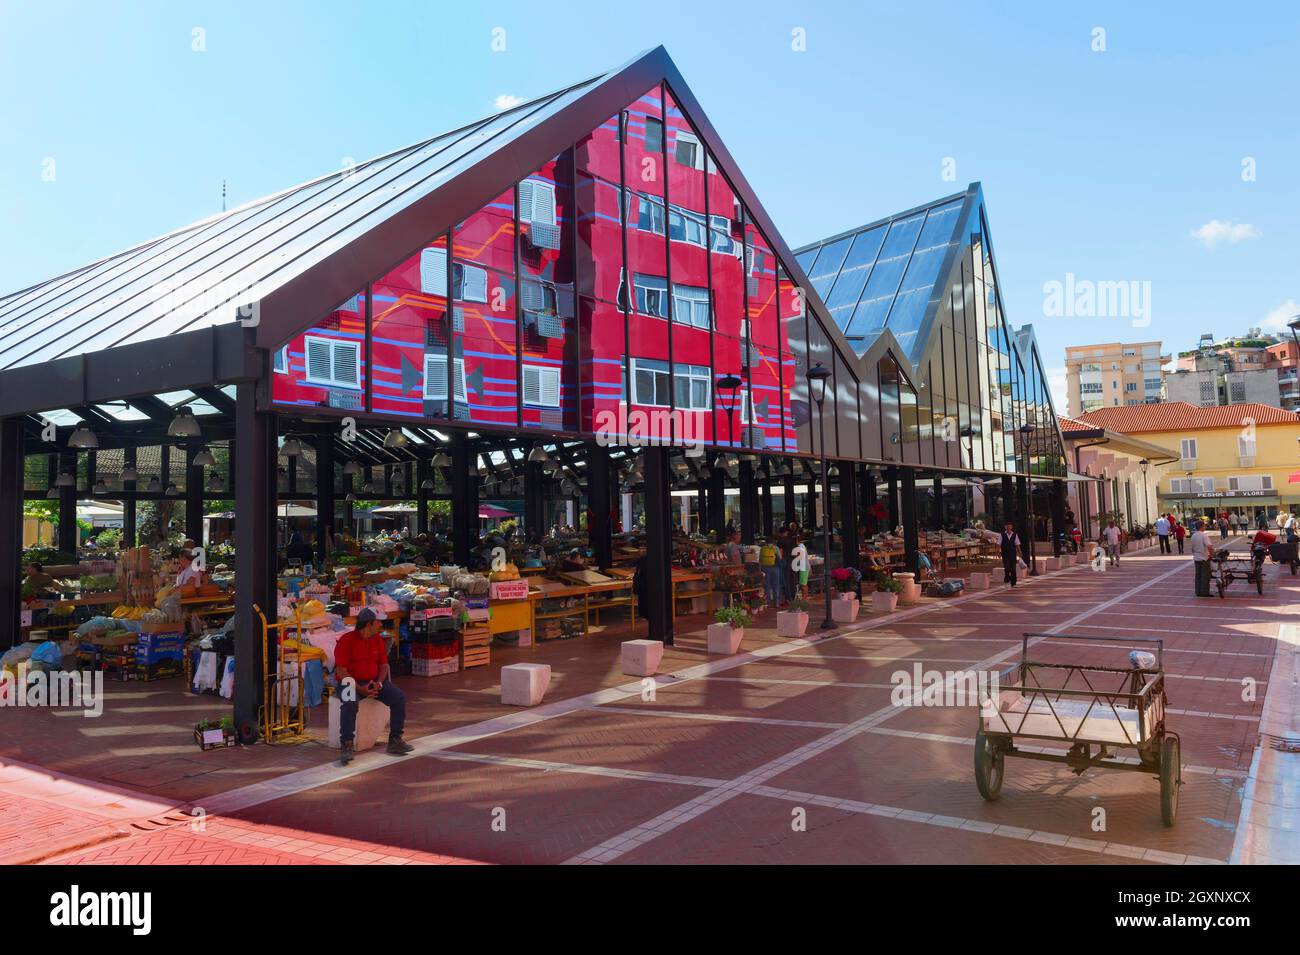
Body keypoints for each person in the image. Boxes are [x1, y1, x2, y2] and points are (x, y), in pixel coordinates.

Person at [334, 608, 414, 764]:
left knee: (399, 697)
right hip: (349, 683)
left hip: (373, 681)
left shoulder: (377, 639)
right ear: (368, 624)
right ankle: (347, 744)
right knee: (349, 703)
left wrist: (378, 683)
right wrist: (360, 688)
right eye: (376, 622)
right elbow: (341, 671)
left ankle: (395, 739)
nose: (379, 625)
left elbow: (384, 666)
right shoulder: (346, 640)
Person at [1190, 519, 1213, 597]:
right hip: (1204, 558)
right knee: (1205, 576)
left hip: (1196, 558)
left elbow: (1192, 548)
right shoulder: (1204, 535)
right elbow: (1209, 546)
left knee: (1198, 576)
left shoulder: (1193, 535)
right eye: (1204, 525)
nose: (1205, 527)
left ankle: (1198, 591)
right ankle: (1204, 592)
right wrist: (1211, 555)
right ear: (1202, 526)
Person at [759, 536, 783, 607]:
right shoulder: (775, 548)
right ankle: (776, 603)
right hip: (775, 568)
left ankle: (767, 603)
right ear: (773, 542)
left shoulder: (762, 548)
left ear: (766, 542)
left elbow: (760, 560)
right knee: (776, 585)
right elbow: (780, 557)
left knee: (767, 585)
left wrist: (760, 569)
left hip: (765, 568)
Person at [999, 521, 1021, 587]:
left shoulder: (1015, 535)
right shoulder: (1002, 535)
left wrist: (1020, 552)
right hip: (1005, 553)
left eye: (1009, 526)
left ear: (1011, 527)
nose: (1008, 527)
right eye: (1007, 526)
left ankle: (1013, 583)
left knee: (1013, 568)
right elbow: (998, 544)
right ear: (1005, 527)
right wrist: (998, 552)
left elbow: (1017, 544)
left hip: (1012, 554)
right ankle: (1007, 577)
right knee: (1007, 567)